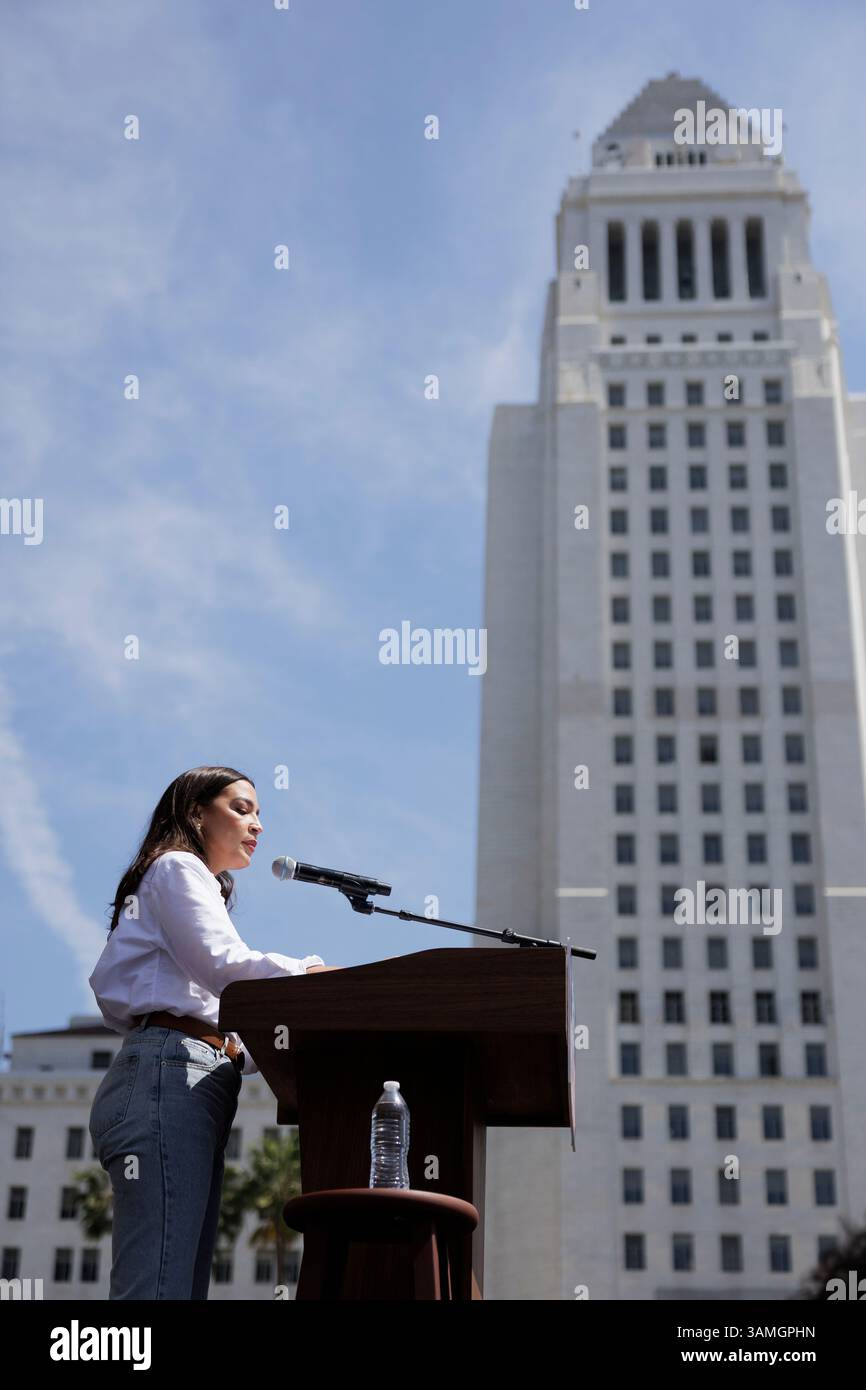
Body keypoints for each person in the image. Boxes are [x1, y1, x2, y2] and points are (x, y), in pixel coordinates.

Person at [88, 764, 337, 1300]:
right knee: (158, 1290)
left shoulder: (190, 882)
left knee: (173, 1287)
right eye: (241, 809)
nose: (257, 826)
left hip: (187, 1077)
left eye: (259, 815)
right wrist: (310, 974)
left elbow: (220, 1004)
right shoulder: (176, 867)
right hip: (167, 1073)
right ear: (196, 813)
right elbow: (223, 966)